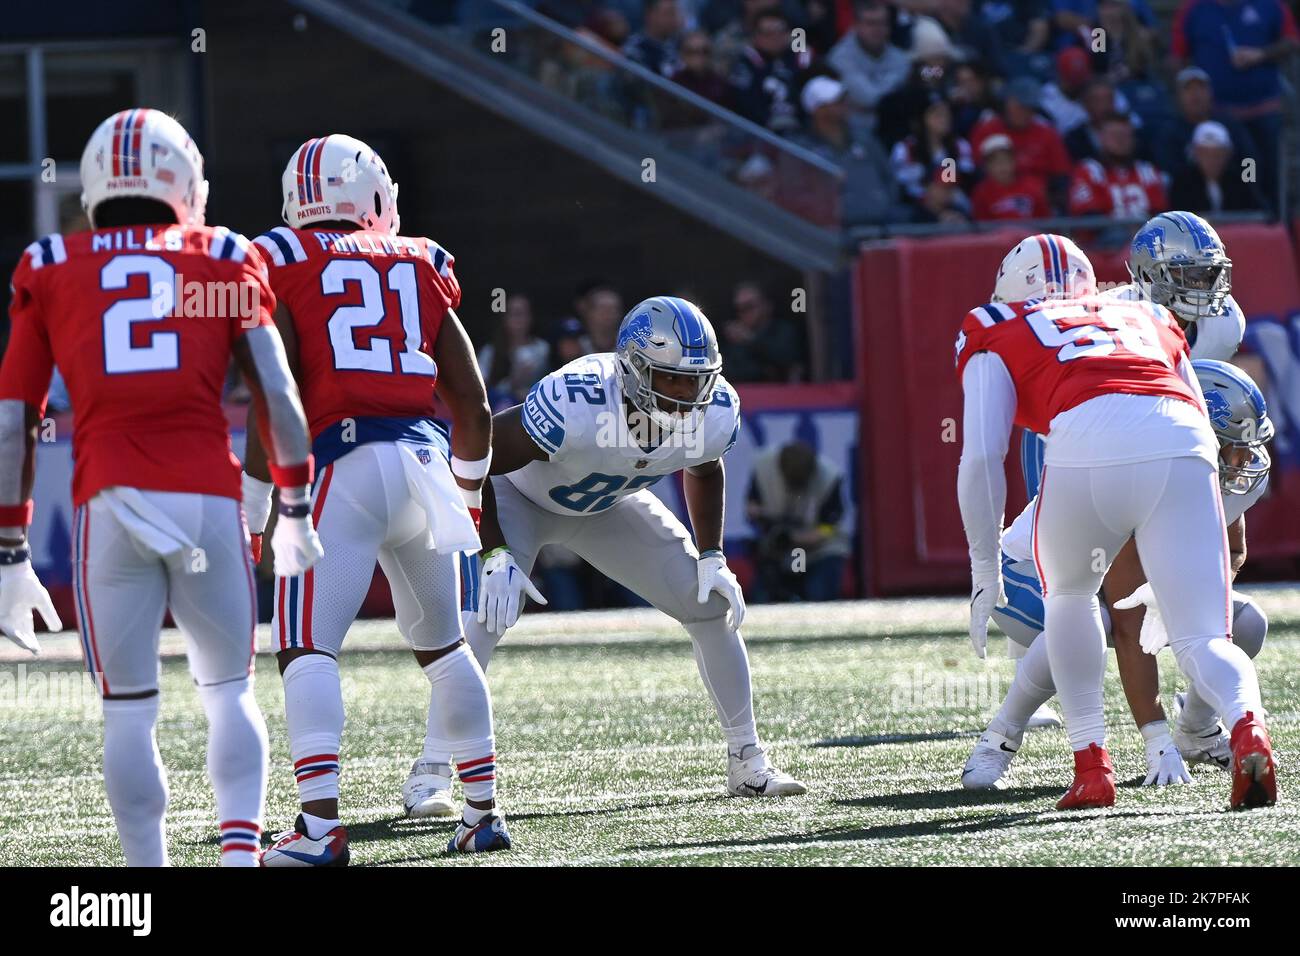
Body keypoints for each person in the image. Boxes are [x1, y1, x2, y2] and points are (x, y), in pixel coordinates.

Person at [0, 109, 322, 866]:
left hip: (108, 504)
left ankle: (147, 876)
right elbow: (278, 393)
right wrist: (296, 505)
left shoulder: (48, 262)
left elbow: (15, 421)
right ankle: (239, 858)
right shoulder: (223, 255)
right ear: (185, 182)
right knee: (228, 690)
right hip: (207, 500)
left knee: (127, 712)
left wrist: (11, 549)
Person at [245, 134, 510, 863]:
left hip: (341, 465)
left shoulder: (283, 258)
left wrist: (252, 505)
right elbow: (476, 406)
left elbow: (276, 393)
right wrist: (470, 502)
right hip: (424, 464)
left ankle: (321, 830)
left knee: (305, 649)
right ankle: (482, 811)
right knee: (447, 648)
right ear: (372, 196)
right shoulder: (421, 260)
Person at [956, 233, 1276, 810]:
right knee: (1205, 635)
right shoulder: (1147, 314)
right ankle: (1247, 727)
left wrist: (983, 568)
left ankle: (1092, 767)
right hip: (1181, 440)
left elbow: (981, 455)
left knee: (1072, 600)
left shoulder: (997, 323)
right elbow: (1197, 420)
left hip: (1087, 446)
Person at [452, 296, 806, 799]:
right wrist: (495, 554)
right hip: (520, 497)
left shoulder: (716, 409)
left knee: (707, 605)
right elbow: (475, 455)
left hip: (605, 508)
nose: (687, 395)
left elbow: (704, 467)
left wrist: (712, 555)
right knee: (484, 618)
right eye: (672, 379)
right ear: (635, 370)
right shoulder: (578, 399)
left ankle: (748, 763)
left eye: (696, 379)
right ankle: (431, 770)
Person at [1171, 0, 1300, 206]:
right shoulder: (1193, 8)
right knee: (1222, 171)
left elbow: (1292, 40)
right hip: (1216, 113)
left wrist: (1261, 54)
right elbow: (1177, 55)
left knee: (1259, 170)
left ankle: (1269, 219)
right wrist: (1191, 94)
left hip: (1263, 109)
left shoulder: (1270, 5)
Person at [791, 75, 904, 226]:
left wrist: (884, 204)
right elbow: (795, 192)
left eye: (843, 99)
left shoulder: (865, 139)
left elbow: (889, 177)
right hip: (831, 230)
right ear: (818, 109)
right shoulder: (800, 148)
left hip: (882, 224)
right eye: (836, 101)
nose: (844, 104)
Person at [746, 440, 849, 602]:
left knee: (818, 595)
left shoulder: (829, 477)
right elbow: (752, 506)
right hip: (778, 551)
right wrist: (765, 521)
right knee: (762, 597)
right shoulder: (763, 466)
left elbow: (830, 528)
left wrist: (795, 538)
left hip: (819, 551)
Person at [1153, 66, 1258, 183]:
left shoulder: (1230, 126)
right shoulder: (1169, 133)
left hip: (1233, 193)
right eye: (1188, 89)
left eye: (1201, 87)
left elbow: (1250, 159)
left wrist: (1248, 184)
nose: (1195, 94)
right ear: (1179, 97)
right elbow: (1167, 171)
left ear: (1211, 93)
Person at [827, 0, 910, 129]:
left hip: (892, 124)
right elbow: (868, 98)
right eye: (871, 23)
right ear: (855, 25)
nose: (878, 29)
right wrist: (894, 91)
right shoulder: (840, 58)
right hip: (856, 130)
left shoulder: (898, 56)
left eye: (883, 24)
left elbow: (905, 72)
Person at [1066, 112, 1166, 218]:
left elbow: (1158, 210)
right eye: (1114, 135)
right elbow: (1088, 214)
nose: (1120, 140)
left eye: (1125, 135)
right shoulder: (1087, 171)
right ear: (1101, 138)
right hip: (1105, 233)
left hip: (1146, 232)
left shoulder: (1148, 171)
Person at [729, 7, 812, 133]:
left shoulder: (799, 57)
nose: (775, 38)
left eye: (780, 32)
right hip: (759, 134)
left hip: (803, 131)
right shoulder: (746, 62)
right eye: (768, 33)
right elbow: (744, 103)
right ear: (756, 36)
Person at [1169, 120, 1264, 213]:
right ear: (1195, 154)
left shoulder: (1239, 184)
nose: (1212, 160)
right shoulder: (1182, 184)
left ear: (1227, 155)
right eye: (1205, 154)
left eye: (1218, 154)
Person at [721, 280, 807, 382]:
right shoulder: (734, 340)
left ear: (767, 306)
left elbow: (787, 359)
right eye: (739, 309)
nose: (744, 313)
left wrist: (751, 340)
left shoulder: (784, 331)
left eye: (749, 307)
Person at [478, 293, 552, 407]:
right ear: (504, 318)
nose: (518, 319)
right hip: (500, 410)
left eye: (522, 313)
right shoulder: (490, 352)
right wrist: (513, 382)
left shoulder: (543, 348)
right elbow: (480, 389)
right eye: (513, 314)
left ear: (530, 317)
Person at [970, 134, 1052, 220]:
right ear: (986, 167)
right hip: (996, 233)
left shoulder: (1033, 187)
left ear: (1014, 161)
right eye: (995, 162)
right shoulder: (981, 193)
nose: (1002, 166)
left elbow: (1045, 220)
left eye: (1006, 160)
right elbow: (981, 227)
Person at [623, 0, 685, 77]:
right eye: (669, 13)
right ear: (651, 15)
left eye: (675, 13)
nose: (674, 18)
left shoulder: (682, 44)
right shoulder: (634, 49)